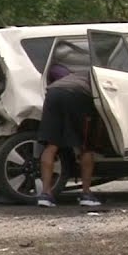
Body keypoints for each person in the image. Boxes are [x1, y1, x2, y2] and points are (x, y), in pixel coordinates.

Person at [36, 68, 101, 208]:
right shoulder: (101, 74)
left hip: (53, 93)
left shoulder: (72, 75)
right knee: (85, 146)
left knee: (51, 145)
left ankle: (45, 194)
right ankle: (86, 194)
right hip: (78, 95)